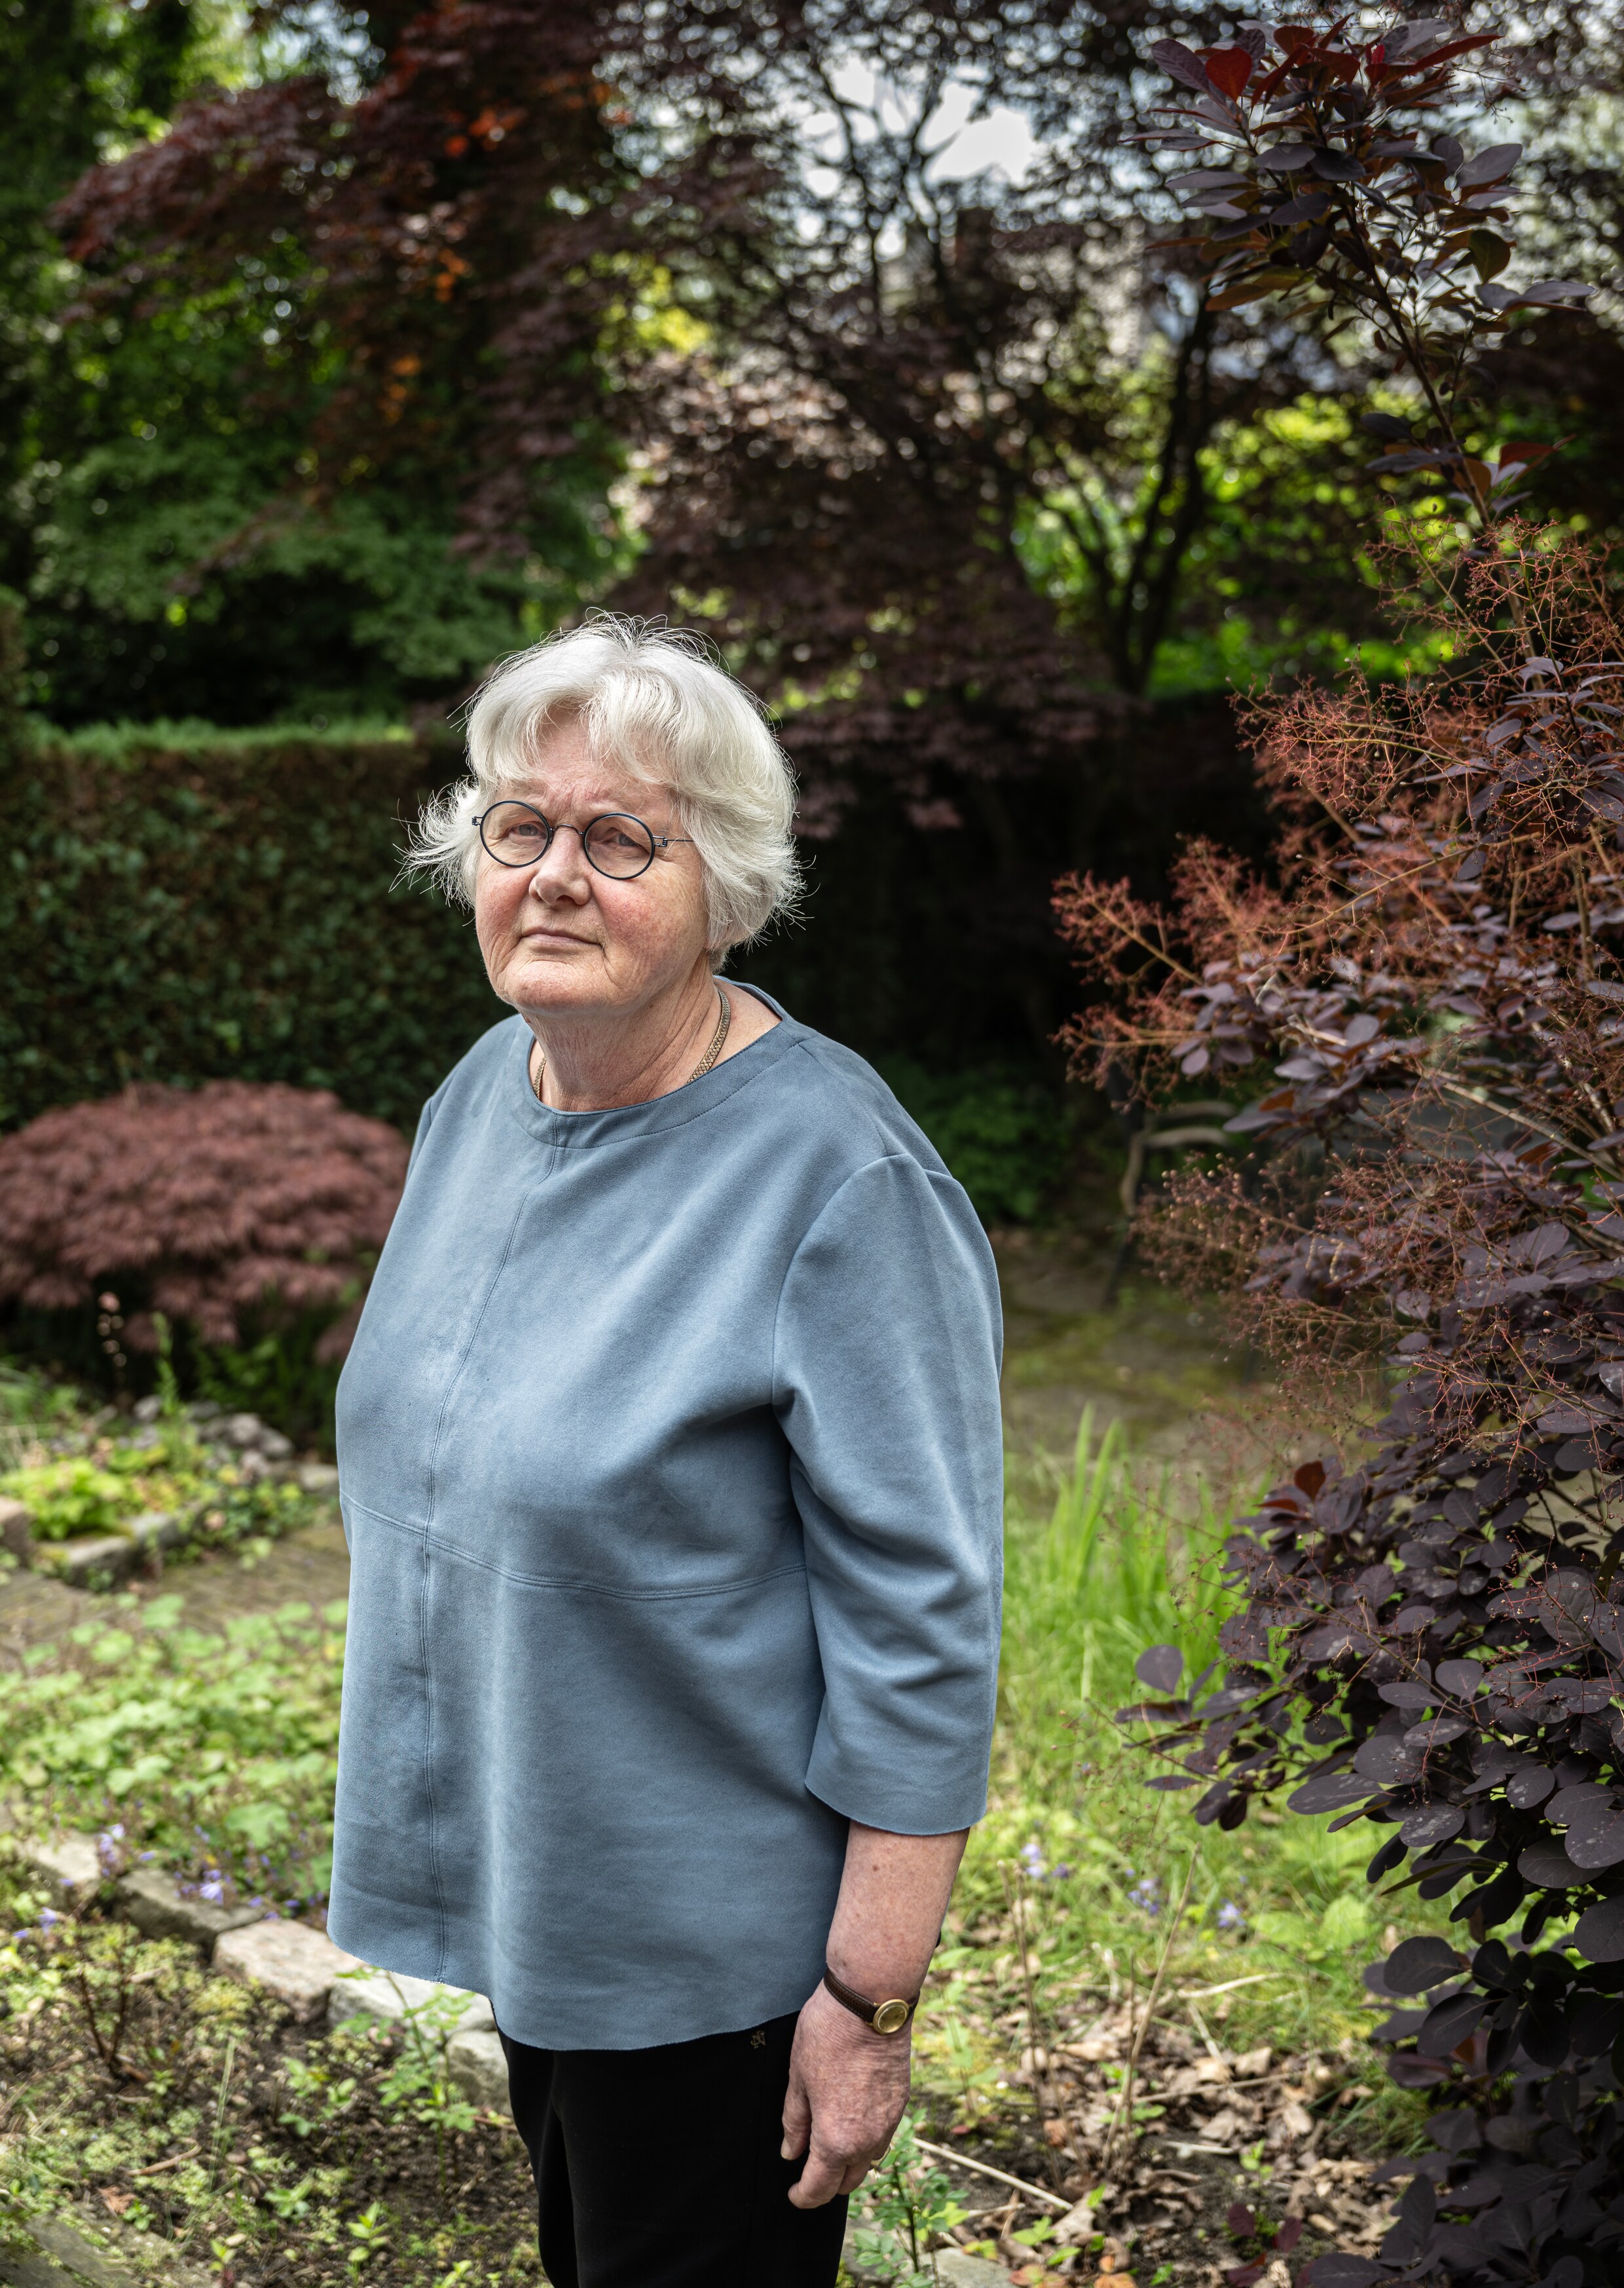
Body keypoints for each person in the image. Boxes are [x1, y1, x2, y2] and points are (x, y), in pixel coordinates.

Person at [329, 616, 1004, 2287]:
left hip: (721, 1989)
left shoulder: (841, 1184)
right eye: (520, 827)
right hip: (542, 1906)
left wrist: (864, 2006)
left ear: (725, 886)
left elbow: (924, 1637)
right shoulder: (492, 1089)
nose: (556, 875)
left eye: (620, 838)